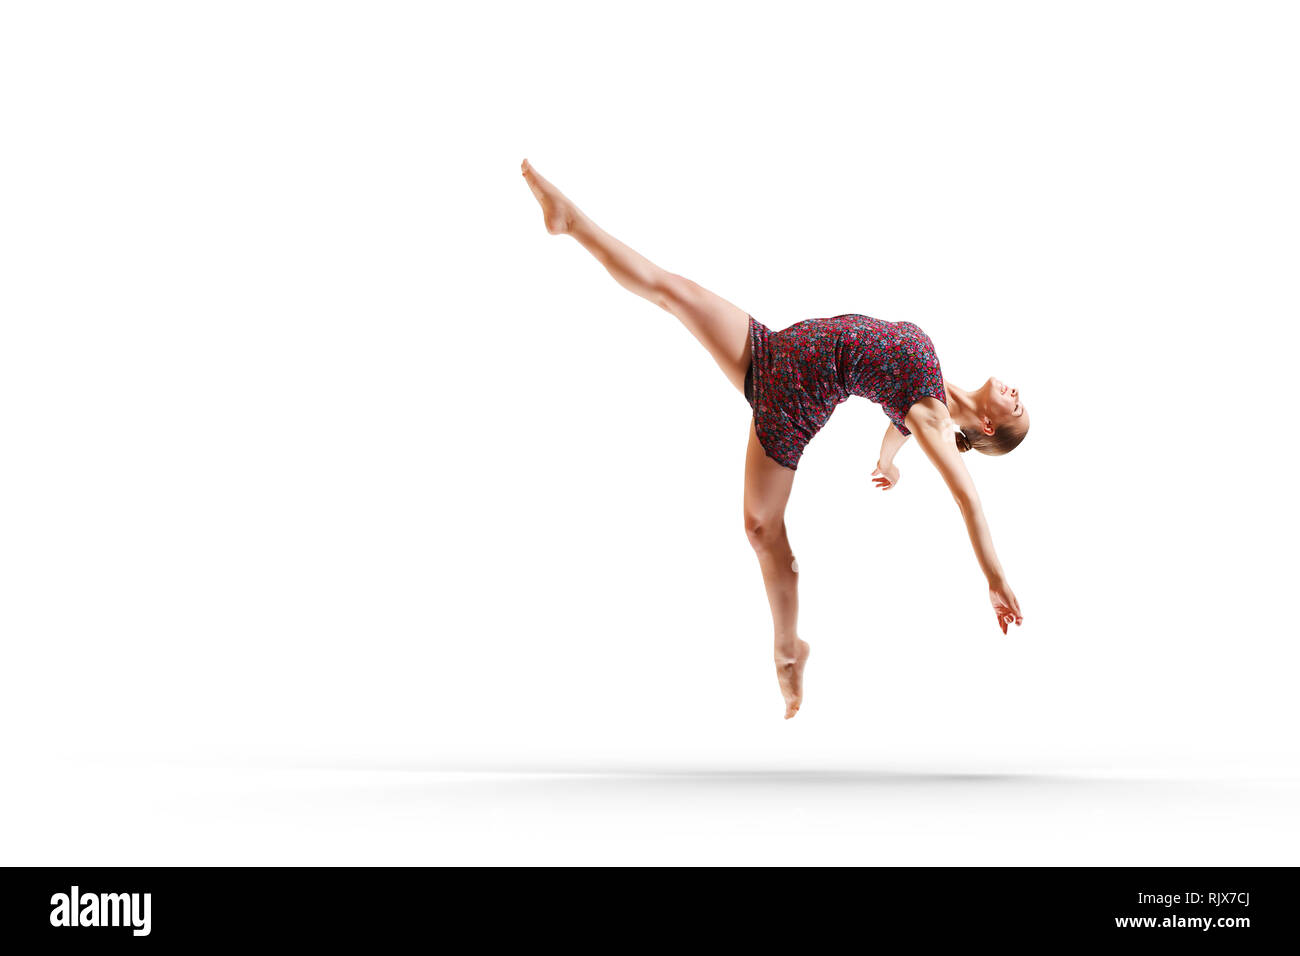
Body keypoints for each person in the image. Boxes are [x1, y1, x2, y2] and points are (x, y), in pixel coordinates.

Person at [521, 159, 1026, 719]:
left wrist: (995, 578)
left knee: (762, 531)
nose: (1016, 392)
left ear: (988, 427)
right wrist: (888, 461)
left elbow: (967, 500)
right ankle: (572, 221)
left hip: (789, 407)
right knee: (673, 291)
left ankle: (788, 651)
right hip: (771, 351)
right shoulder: (930, 396)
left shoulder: (930, 415)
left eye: (1016, 407)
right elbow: (900, 425)